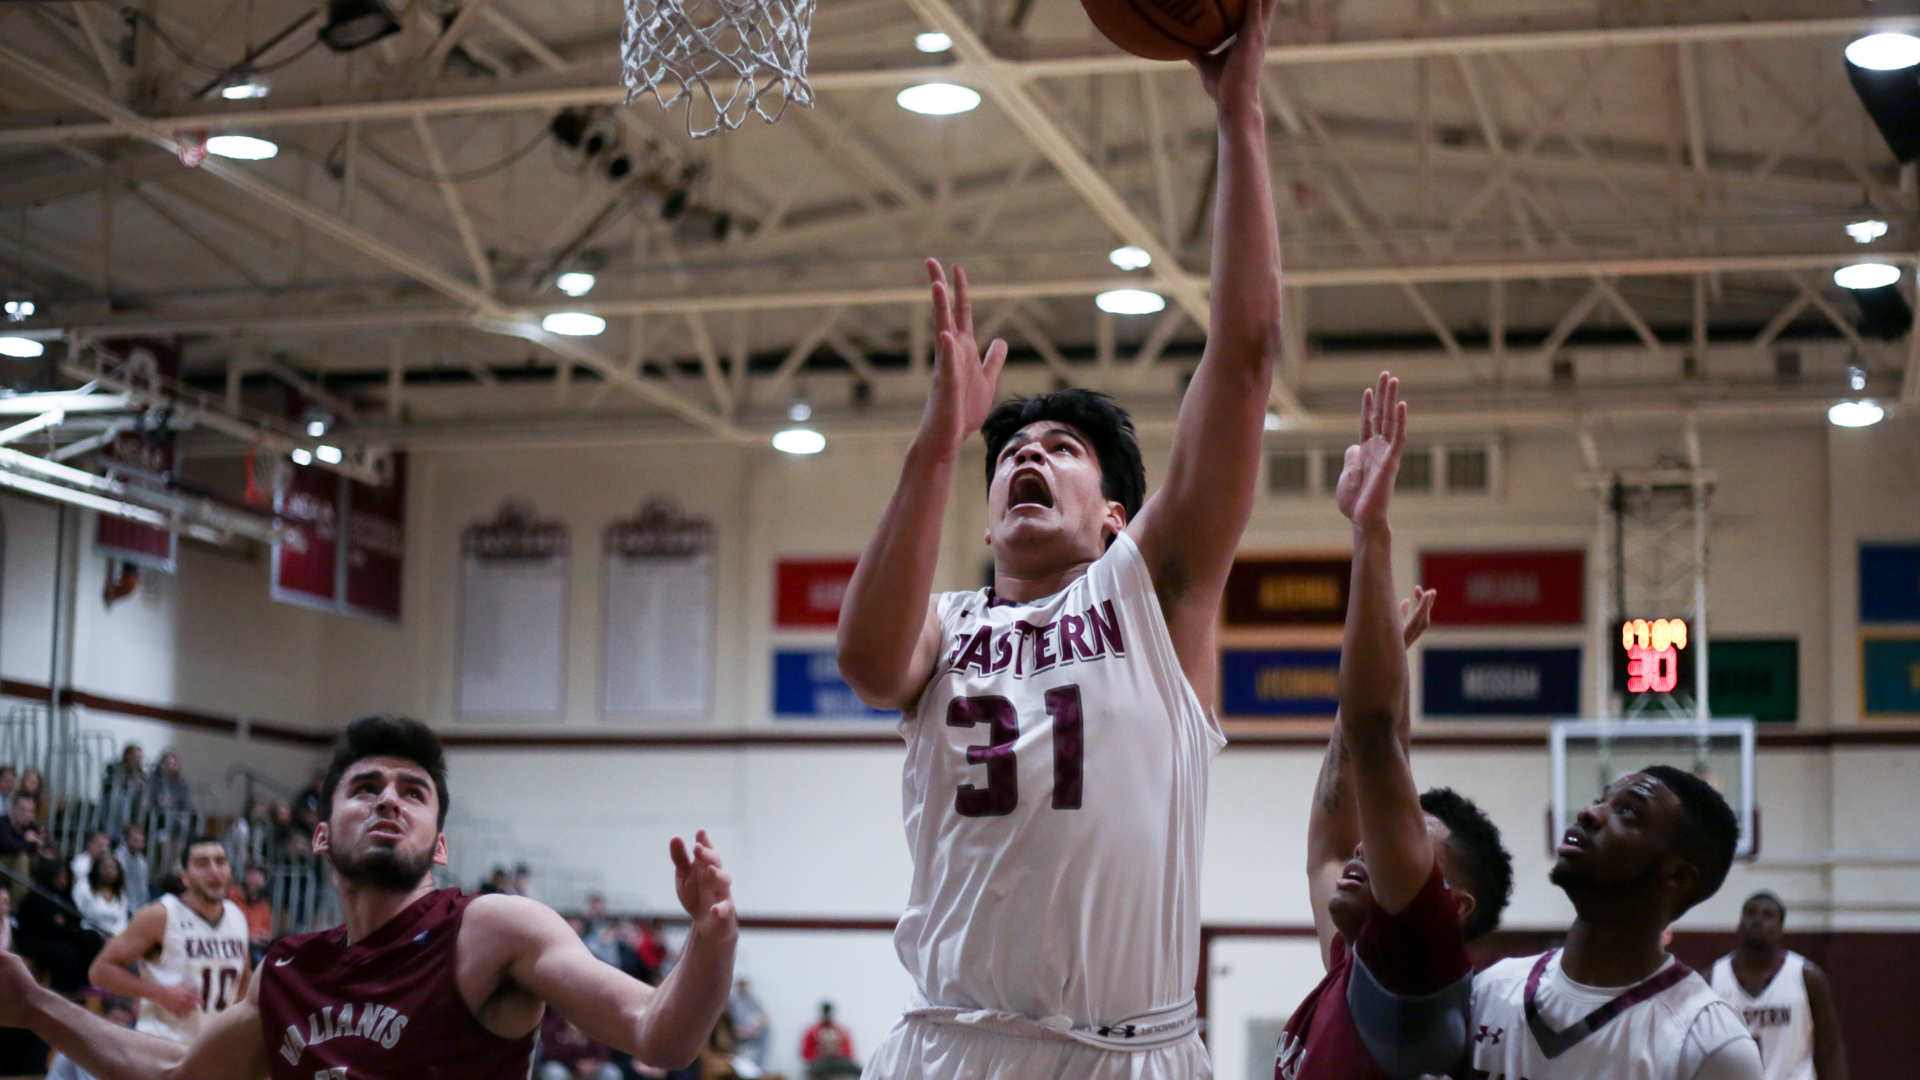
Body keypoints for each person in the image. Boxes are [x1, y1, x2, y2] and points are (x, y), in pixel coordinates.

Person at [834, 0, 1281, 1075]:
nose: (1027, 456)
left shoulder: (1151, 592)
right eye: (1011, 453)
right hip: (950, 1042)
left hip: (1126, 1052)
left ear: (1116, 514)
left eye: (1062, 451)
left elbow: (1249, 352)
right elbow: (863, 664)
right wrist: (938, 446)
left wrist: (1240, 120)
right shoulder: (943, 627)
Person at [0, 714, 738, 1079]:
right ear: (320, 836)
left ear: (438, 845)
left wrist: (711, 942)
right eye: (366, 788)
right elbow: (174, 1076)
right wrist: (36, 1006)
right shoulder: (286, 971)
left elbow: (659, 1034)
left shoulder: (491, 930)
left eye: (414, 792)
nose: (390, 800)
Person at [1278, 376, 1514, 1080]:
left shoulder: (1417, 974)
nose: (1363, 849)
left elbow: (1377, 734)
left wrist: (1370, 531)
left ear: (1452, 906)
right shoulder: (1359, 965)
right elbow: (1328, 840)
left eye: (1396, 849)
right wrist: (1391, 663)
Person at [1460, 768, 1761, 1079]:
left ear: (1676, 876)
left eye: (1627, 811)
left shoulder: (1713, 1045)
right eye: (1599, 801)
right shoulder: (1488, 992)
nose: (1588, 812)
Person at [88, 836, 250, 1045]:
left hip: (213, 1050)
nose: (214, 870)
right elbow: (100, 971)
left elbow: (242, 985)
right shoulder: (160, 915)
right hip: (162, 1046)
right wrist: (160, 993)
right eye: (202, 864)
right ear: (185, 877)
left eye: (220, 862)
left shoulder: (237, 917)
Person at [1710, 891, 1848, 1080]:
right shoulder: (1712, 979)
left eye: (1767, 915)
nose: (1757, 920)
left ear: (1781, 927)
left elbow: (1831, 1050)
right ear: (1739, 924)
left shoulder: (1807, 977)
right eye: (1750, 913)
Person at [18, 861, 104, 993]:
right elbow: (41, 924)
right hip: (37, 939)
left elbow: (74, 918)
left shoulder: (65, 896)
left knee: (92, 939)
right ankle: (66, 990)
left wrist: (61, 922)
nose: (63, 881)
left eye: (66, 878)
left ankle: (88, 982)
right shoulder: (35, 897)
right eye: (59, 878)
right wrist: (57, 922)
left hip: (62, 934)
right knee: (65, 952)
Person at [74, 853, 132, 938]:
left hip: (113, 939)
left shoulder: (122, 895)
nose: (109, 871)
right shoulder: (84, 888)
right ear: (97, 869)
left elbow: (122, 921)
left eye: (113, 868)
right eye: (105, 868)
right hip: (88, 936)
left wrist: (115, 936)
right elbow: (77, 913)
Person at [0, 793, 45, 902]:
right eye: (23, 810)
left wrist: (40, 843)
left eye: (30, 811)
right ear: (13, 808)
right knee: (22, 858)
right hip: (3, 865)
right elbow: (9, 846)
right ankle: (20, 903)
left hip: (23, 869)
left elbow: (45, 846)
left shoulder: (31, 826)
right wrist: (26, 841)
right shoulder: (3, 823)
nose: (27, 815)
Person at [229, 864, 274, 965]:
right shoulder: (233, 898)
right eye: (252, 875)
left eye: (259, 876)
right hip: (238, 946)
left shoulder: (263, 903)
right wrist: (249, 936)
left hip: (259, 947)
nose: (256, 880)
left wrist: (266, 935)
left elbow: (267, 927)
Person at [800, 1002, 858, 1079]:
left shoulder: (841, 1031)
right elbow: (806, 1053)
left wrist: (839, 1054)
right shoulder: (812, 1031)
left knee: (858, 1071)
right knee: (813, 1072)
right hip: (820, 1062)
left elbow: (849, 1051)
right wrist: (819, 1055)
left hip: (838, 1062)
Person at [729, 978, 768, 1067]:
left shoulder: (751, 997)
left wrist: (755, 1025)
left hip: (749, 1030)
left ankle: (759, 1066)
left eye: (745, 984)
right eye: (741, 984)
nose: (743, 986)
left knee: (767, 1032)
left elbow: (764, 1016)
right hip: (734, 1031)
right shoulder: (731, 998)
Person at [115, 825, 152, 909]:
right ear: (127, 839)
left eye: (141, 835)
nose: (140, 838)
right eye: (136, 837)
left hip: (139, 904)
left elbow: (143, 887)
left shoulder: (142, 861)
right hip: (121, 904)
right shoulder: (118, 858)